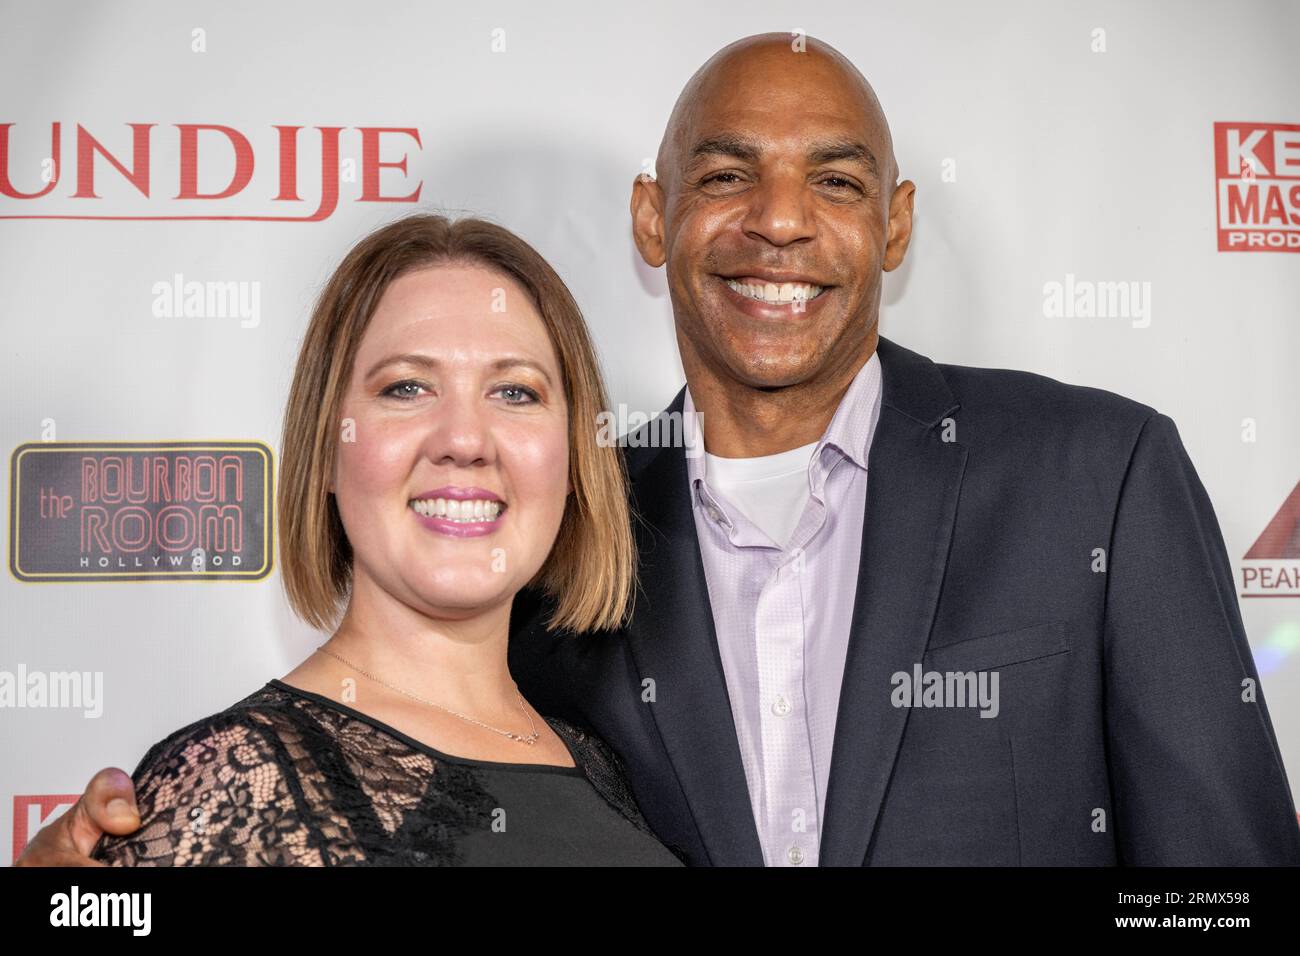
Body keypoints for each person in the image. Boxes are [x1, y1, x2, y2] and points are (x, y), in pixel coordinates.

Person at [20, 33, 1300, 868]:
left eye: (838, 183)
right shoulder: (570, 551)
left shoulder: (1096, 472)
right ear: (655, 214)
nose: (782, 223)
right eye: (730, 174)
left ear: (897, 224)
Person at [81, 213, 685, 865]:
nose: (464, 440)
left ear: (572, 458)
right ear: (328, 451)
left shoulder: (599, 764)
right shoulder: (236, 784)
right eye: (406, 388)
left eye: (515, 391)